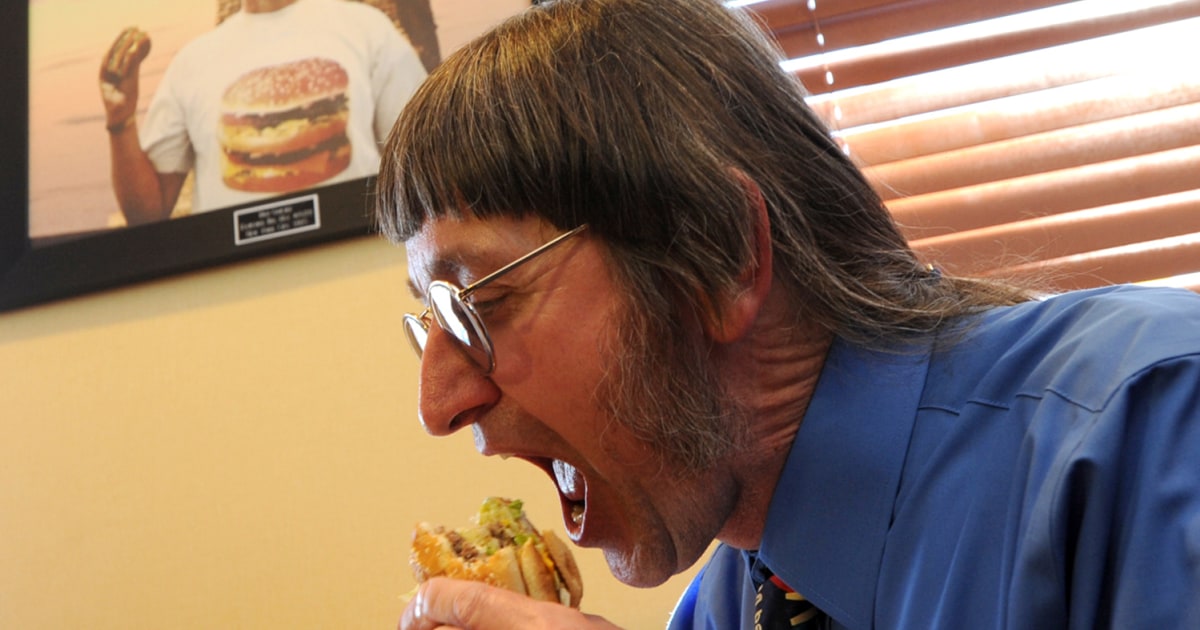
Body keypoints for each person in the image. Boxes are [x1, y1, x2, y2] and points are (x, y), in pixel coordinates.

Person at [374, 0, 1200, 628]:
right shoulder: (729, 603)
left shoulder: (1152, 425)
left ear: (720, 254)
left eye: (479, 301)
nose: (439, 404)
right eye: (430, 320)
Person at [99, 0, 427, 225]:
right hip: (234, 280)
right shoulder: (191, 62)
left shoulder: (368, 30)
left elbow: (424, 167)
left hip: (354, 254)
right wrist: (120, 120)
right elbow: (148, 213)